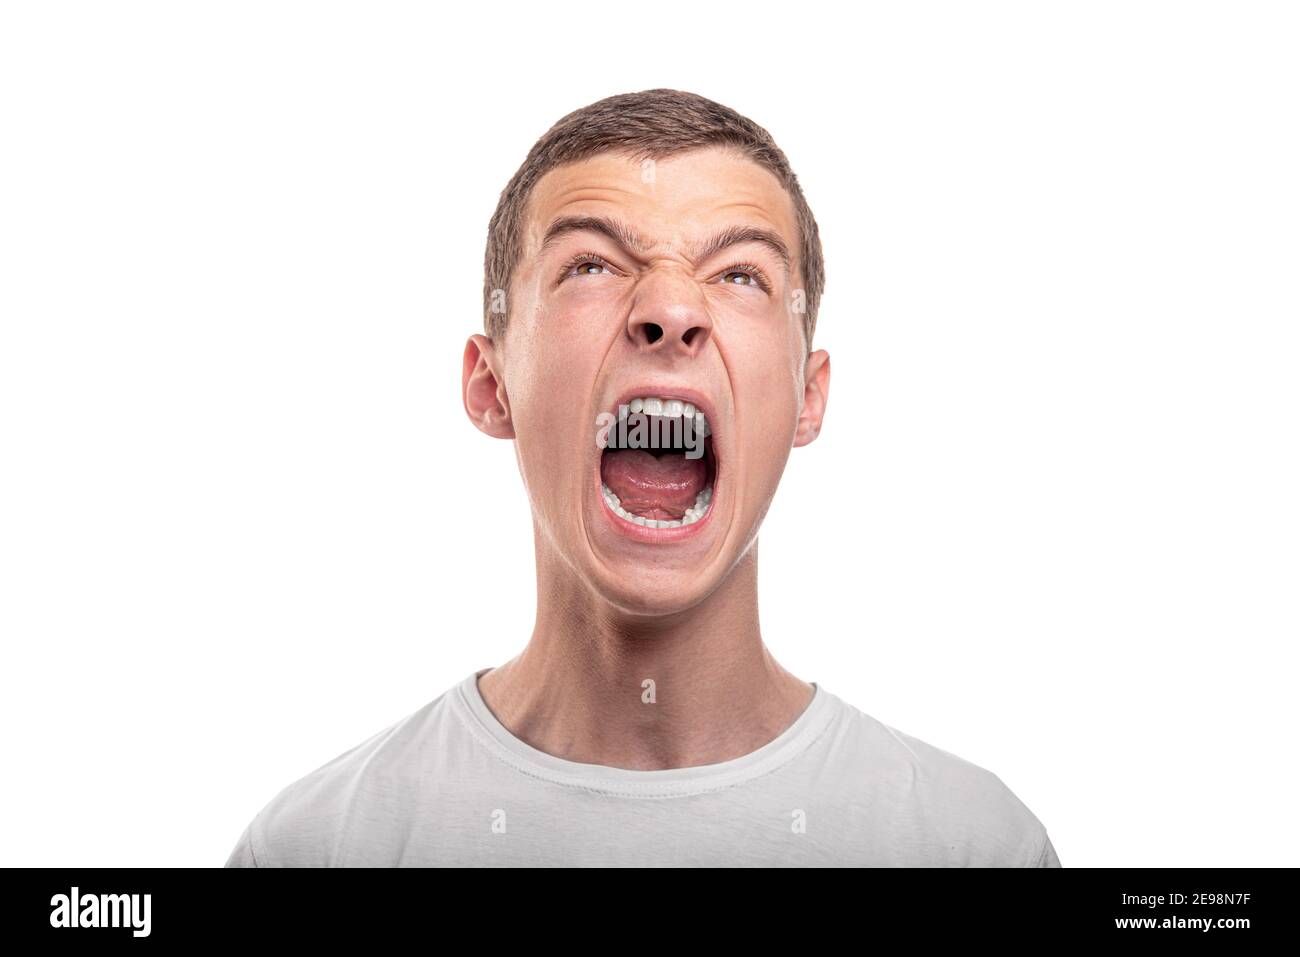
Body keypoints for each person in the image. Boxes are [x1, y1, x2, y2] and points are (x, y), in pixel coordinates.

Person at [224, 88, 1060, 867]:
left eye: (739, 273)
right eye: (591, 265)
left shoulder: (972, 847)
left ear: (808, 399)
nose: (671, 309)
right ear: (491, 385)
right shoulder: (321, 847)